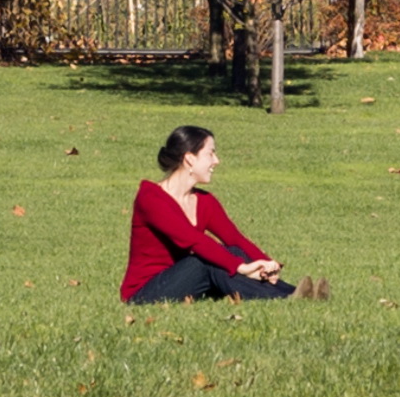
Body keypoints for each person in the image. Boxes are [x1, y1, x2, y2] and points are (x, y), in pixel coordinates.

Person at [121, 124, 321, 301]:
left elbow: (235, 239)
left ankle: (296, 293)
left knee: (231, 251)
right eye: (210, 154)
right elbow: (194, 241)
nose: (216, 161)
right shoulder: (151, 198)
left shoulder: (204, 201)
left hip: (185, 280)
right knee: (205, 259)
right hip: (146, 291)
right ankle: (286, 298)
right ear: (189, 159)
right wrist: (241, 267)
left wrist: (267, 264)